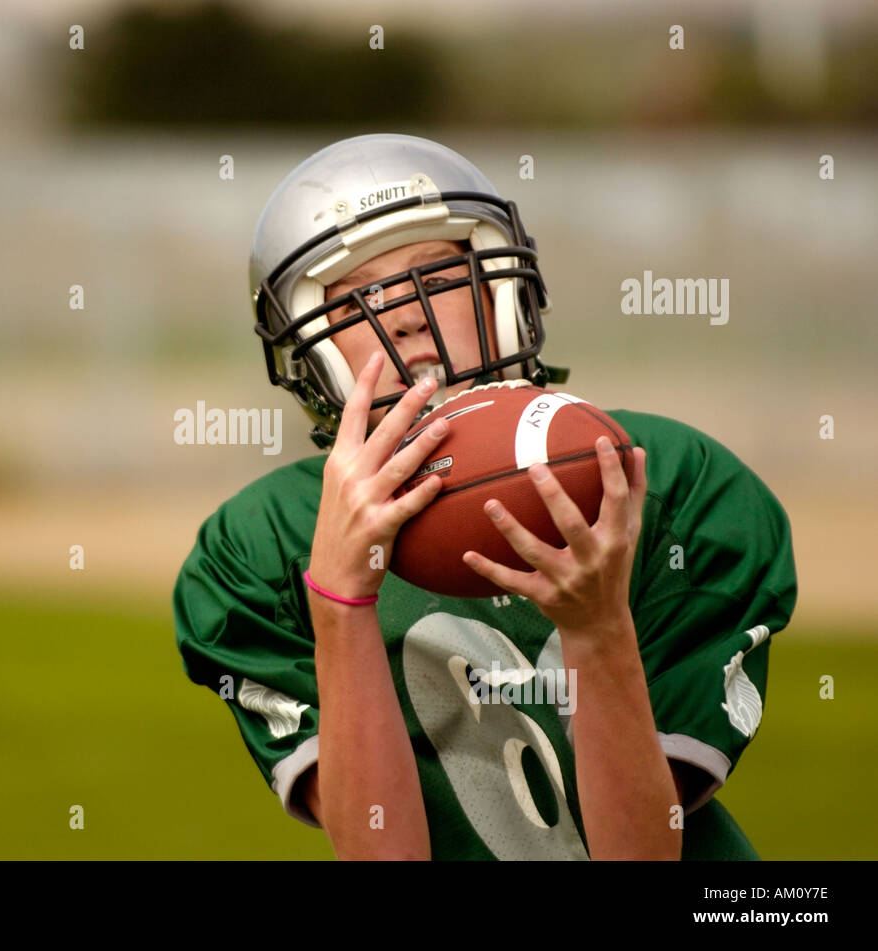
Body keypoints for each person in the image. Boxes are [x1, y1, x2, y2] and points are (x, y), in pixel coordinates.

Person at [172, 133, 796, 860]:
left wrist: (598, 633)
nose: (404, 316)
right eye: (360, 298)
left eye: (436, 279)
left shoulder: (667, 481)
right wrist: (339, 603)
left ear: (501, 293)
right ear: (313, 355)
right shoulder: (263, 542)